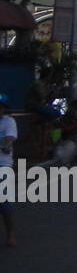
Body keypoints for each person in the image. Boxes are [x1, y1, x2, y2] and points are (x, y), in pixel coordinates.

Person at [0, 95, 17, 247]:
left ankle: (10, 234)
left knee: (5, 203)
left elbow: (9, 138)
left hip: (3, 165)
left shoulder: (9, 122)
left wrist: (6, 145)